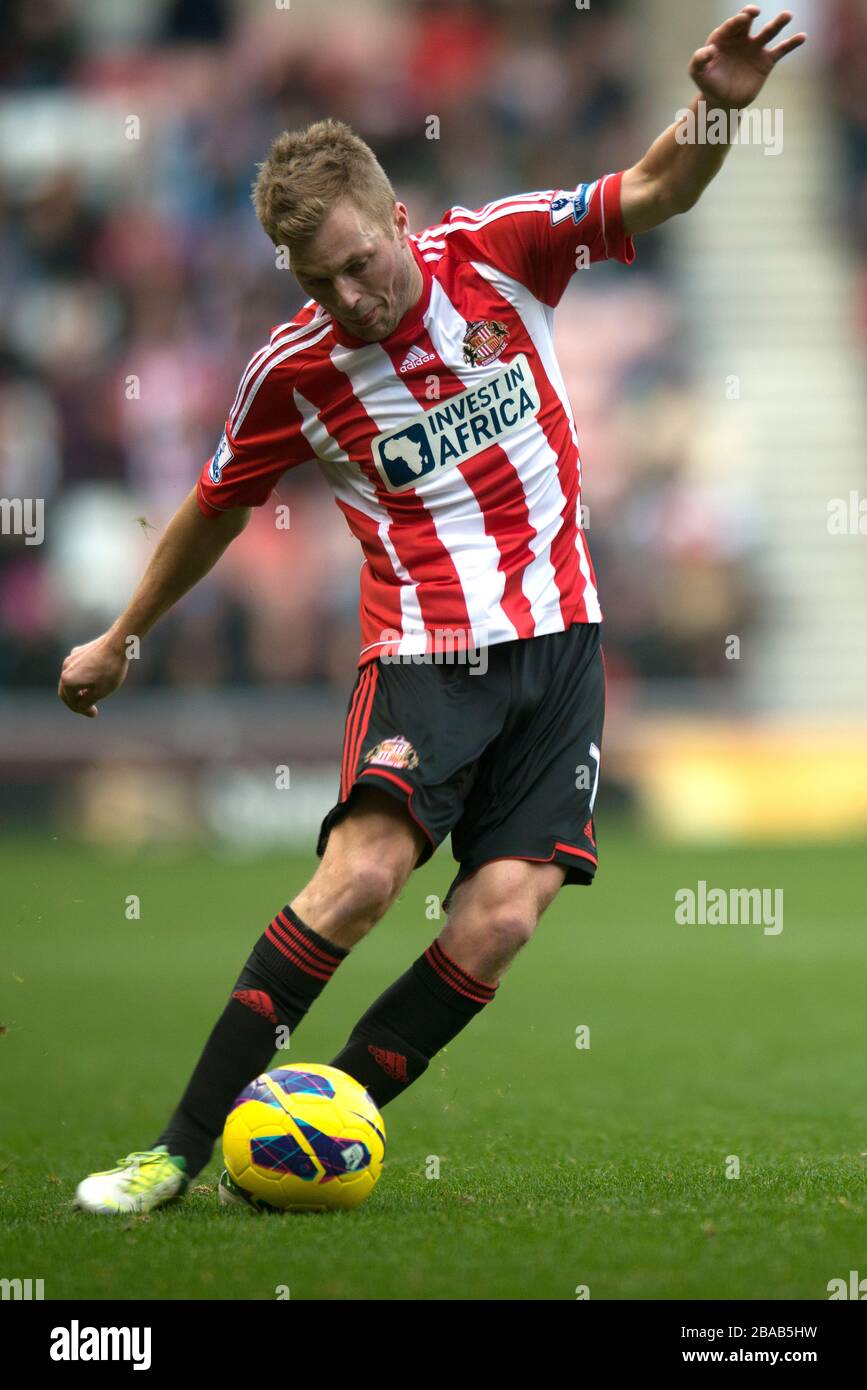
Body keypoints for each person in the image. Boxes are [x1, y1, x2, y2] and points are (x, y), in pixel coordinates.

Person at [60, 8, 806, 1214]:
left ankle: (310, 1136)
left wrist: (717, 101)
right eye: (320, 281)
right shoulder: (292, 374)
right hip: (426, 651)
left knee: (503, 915)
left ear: (398, 215)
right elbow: (210, 506)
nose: (351, 297)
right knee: (361, 879)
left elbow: (661, 189)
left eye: (361, 262)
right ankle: (177, 1151)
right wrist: (121, 634)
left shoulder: (506, 249)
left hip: (562, 643)